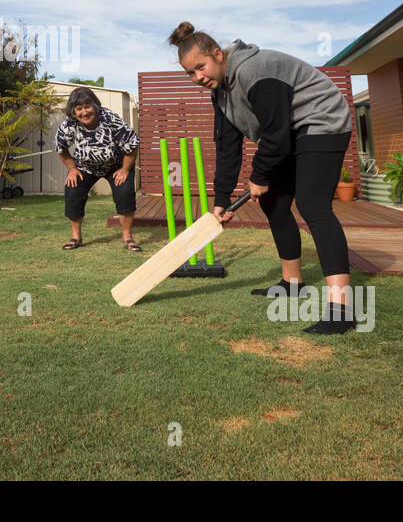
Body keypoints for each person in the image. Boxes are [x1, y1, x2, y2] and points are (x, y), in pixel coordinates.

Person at [168, 22, 358, 334]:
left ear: (218, 54)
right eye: (191, 73)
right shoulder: (221, 93)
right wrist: (221, 201)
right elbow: (227, 148)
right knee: (273, 202)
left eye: (201, 67)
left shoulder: (256, 70)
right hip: (292, 132)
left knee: (313, 205)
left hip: (323, 120)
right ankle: (292, 284)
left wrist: (259, 175)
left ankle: (341, 311)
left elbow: (276, 134)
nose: (198, 77)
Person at [55, 87, 141, 251]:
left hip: (115, 164)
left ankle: (127, 237)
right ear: (73, 111)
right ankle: (76, 237)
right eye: (79, 109)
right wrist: (72, 169)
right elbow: (60, 148)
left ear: (95, 105)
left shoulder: (110, 119)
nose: (84, 112)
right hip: (84, 167)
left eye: (87, 106)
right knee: (72, 191)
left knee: (125, 193)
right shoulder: (69, 125)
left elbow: (132, 144)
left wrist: (124, 169)